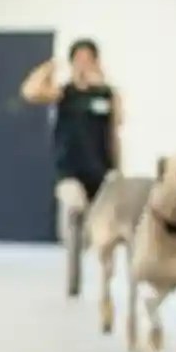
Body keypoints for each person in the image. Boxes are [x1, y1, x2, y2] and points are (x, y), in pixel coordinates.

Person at [20, 39, 123, 231]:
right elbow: (30, 92)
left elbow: (114, 133)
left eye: (88, 59)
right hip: (69, 169)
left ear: (96, 62)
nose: (83, 64)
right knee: (76, 207)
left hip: (99, 169)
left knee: (102, 226)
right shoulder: (64, 92)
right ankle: (73, 254)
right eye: (79, 59)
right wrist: (50, 67)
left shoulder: (108, 94)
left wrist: (117, 169)